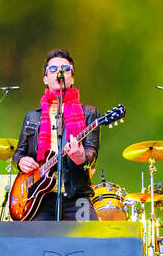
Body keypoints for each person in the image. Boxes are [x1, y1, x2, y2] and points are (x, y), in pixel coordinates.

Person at [11, 49, 100, 221]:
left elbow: (92, 152)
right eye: (53, 69)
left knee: (92, 242)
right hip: (39, 197)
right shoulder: (33, 117)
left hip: (76, 194)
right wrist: (20, 161)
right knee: (31, 245)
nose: (59, 72)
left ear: (72, 78)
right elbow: (18, 154)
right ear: (45, 79)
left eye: (66, 69)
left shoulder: (89, 113)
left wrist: (82, 158)